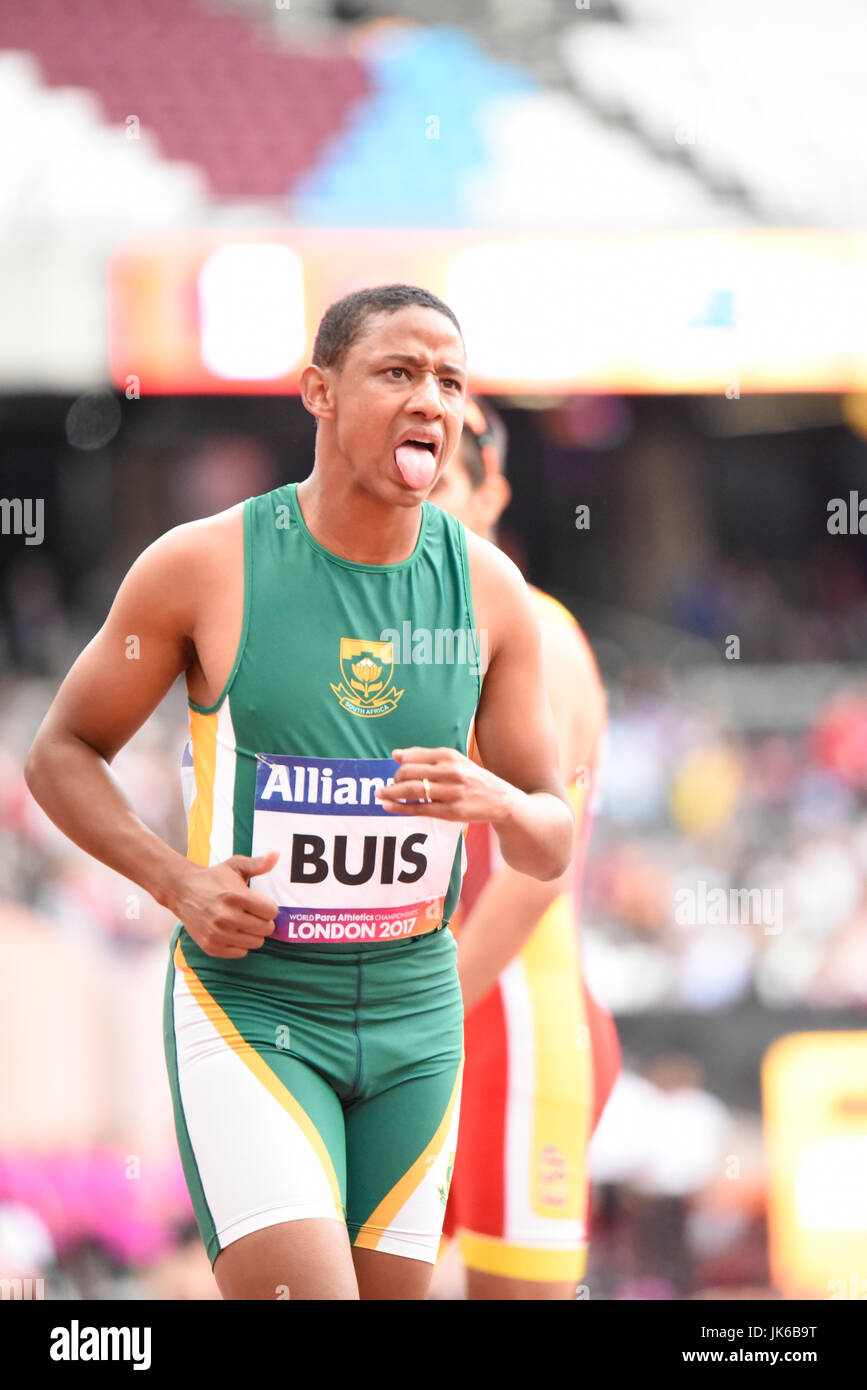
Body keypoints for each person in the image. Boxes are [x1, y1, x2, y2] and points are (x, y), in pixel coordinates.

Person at [23, 284, 574, 1302]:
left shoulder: (490, 593)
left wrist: (496, 799)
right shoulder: (201, 566)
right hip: (257, 1008)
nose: (431, 401)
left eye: (450, 380)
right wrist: (176, 880)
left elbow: (552, 839)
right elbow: (60, 753)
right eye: (399, 372)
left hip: (416, 1018)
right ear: (318, 392)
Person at [432, 397, 621, 1300]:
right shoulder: (388, 639)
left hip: (515, 1024)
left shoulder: (537, 635)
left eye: (438, 485)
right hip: (418, 1027)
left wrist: (418, 1022)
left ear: (489, 489)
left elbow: (531, 877)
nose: (415, 510)